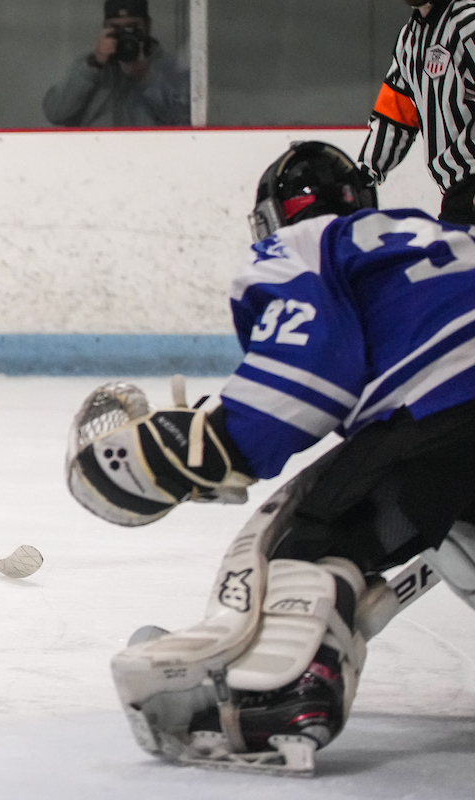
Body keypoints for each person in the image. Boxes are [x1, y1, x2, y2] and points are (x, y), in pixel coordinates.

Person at [65, 141, 475, 774]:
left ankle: (277, 696)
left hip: (451, 409)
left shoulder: (307, 245)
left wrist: (211, 445)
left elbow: (310, 371)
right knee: (452, 528)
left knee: (316, 533)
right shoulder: (435, 236)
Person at [357, 0, 475, 224]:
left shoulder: (468, 23)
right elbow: (395, 115)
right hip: (457, 192)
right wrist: (365, 173)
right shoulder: (410, 39)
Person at [42, 0, 189, 127]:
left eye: (132, 27)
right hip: (95, 154)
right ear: (105, 28)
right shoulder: (89, 67)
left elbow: (185, 122)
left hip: (152, 154)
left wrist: (146, 80)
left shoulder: (171, 68)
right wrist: (94, 66)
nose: (125, 35)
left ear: (148, 25)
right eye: (116, 29)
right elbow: (55, 114)